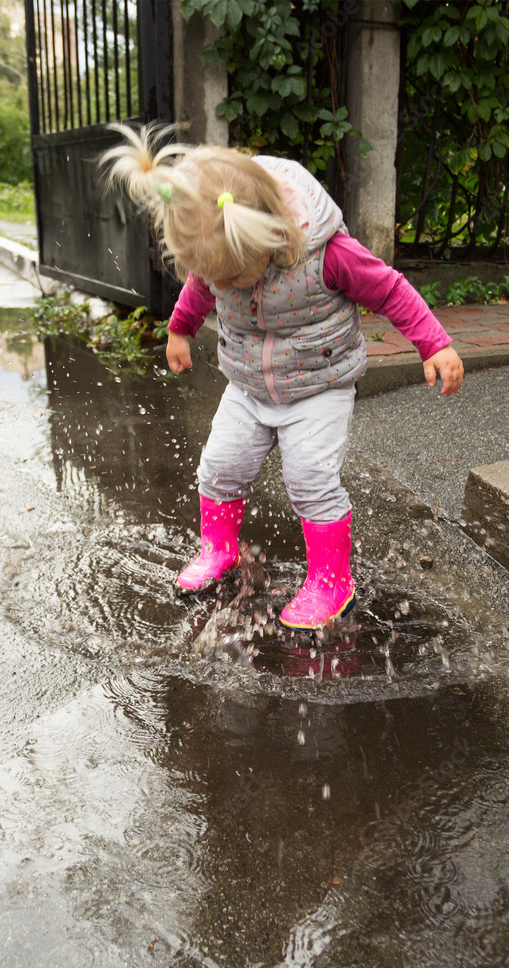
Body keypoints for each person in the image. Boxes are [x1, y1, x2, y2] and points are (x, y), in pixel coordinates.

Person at [102, 124, 464, 631]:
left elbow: (390, 290)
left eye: (232, 276)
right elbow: (200, 290)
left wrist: (434, 343)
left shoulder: (328, 253)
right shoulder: (217, 257)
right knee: (219, 466)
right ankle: (218, 549)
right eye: (214, 276)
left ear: (269, 237)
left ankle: (332, 582)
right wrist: (180, 329)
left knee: (310, 480)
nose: (222, 286)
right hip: (248, 386)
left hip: (320, 386)